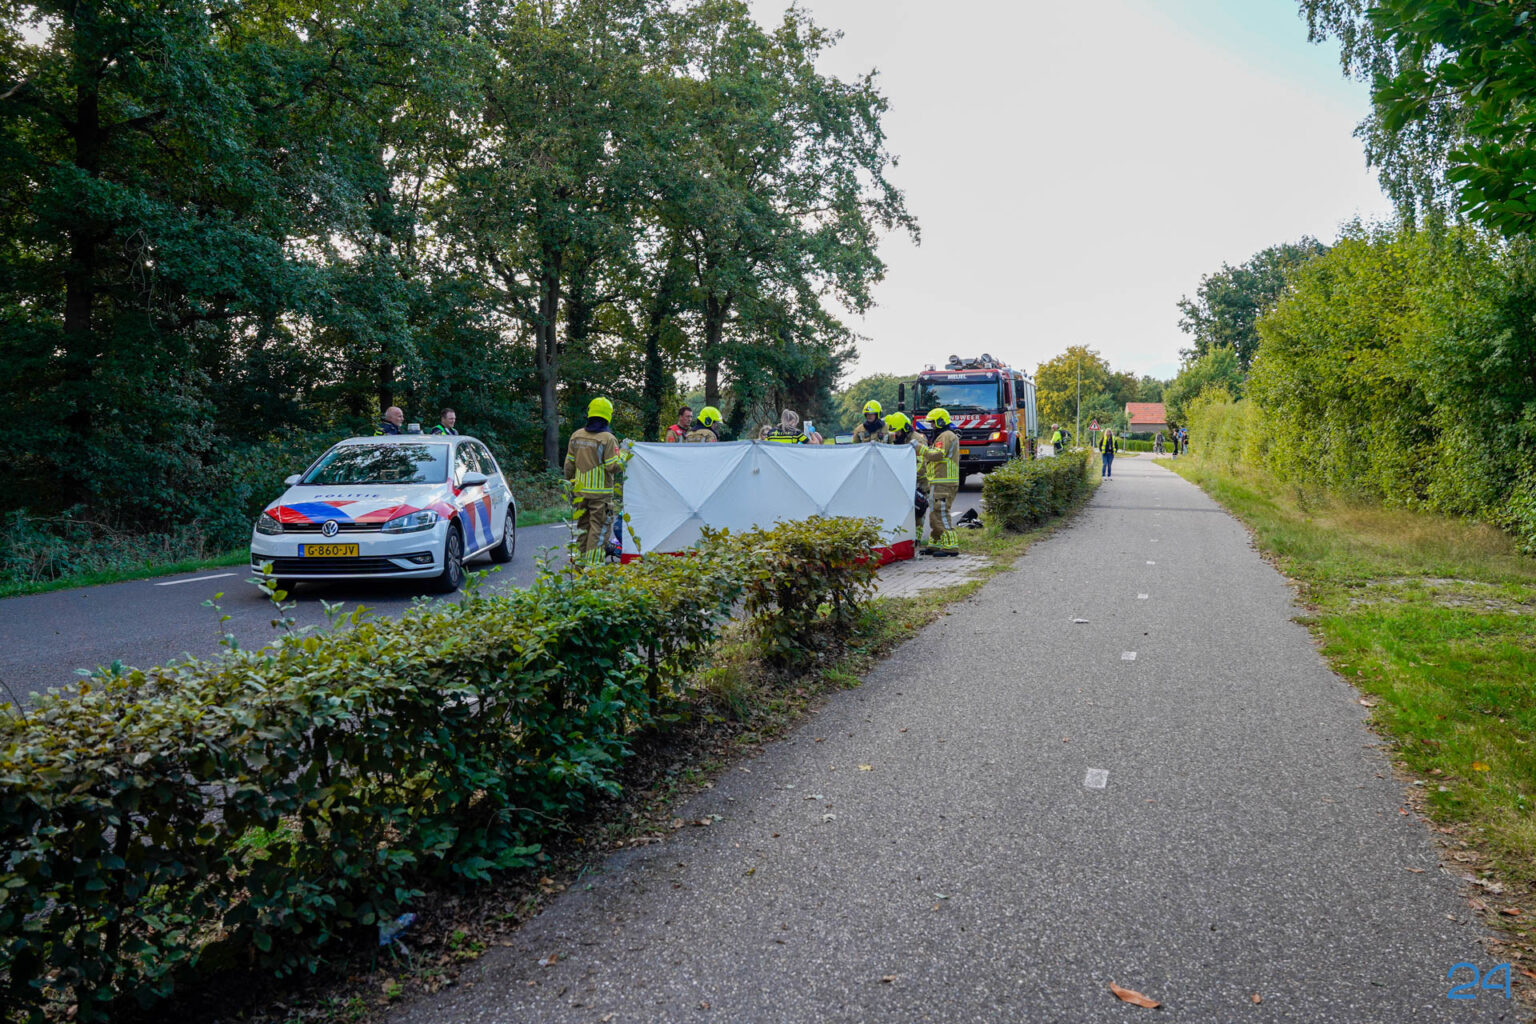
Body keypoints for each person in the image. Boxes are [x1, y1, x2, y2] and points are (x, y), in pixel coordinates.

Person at [563, 397, 626, 566]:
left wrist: (570, 485)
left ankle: (579, 565)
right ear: (608, 415)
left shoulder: (576, 436)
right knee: (598, 532)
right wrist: (625, 458)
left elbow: (569, 466)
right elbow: (613, 466)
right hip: (601, 497)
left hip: (580, 494)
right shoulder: (608, 438)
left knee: (583, 529)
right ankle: (592, 571)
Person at [919, 408, 961, 557]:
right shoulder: (944, 435)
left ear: (941, 421)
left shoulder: (946, 436)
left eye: (933, 423)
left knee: (941, 513)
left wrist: (920, 449)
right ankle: (935, 543)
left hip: (944, 482)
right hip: (938, 481)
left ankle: (951, 546)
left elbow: (937, 455)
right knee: (934, 515)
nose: (931, 426)